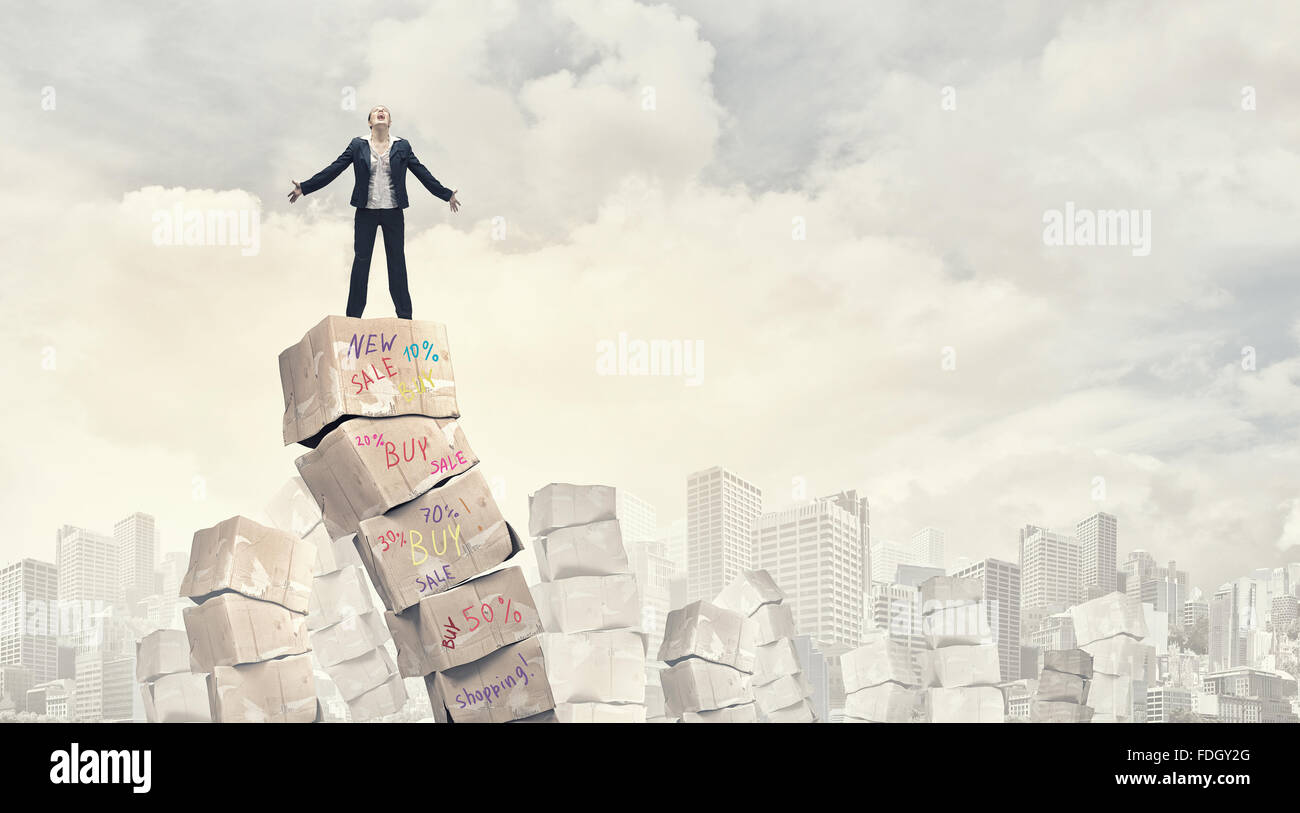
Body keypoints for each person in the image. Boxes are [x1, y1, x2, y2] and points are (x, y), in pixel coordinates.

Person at [288, 105, 460, 319]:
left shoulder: (402, 146)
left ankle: (405, 318)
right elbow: (334, 169)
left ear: (389, 122)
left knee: (397, 263)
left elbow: (422, 172)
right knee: (361, 263)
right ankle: (352, 319)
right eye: (375, 110)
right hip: (366, 213)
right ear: (370, 122)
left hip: (393, 212)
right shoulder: (357, 145)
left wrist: (445, 194)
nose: (380, 111)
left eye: (385, 111)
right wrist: (305, 187)